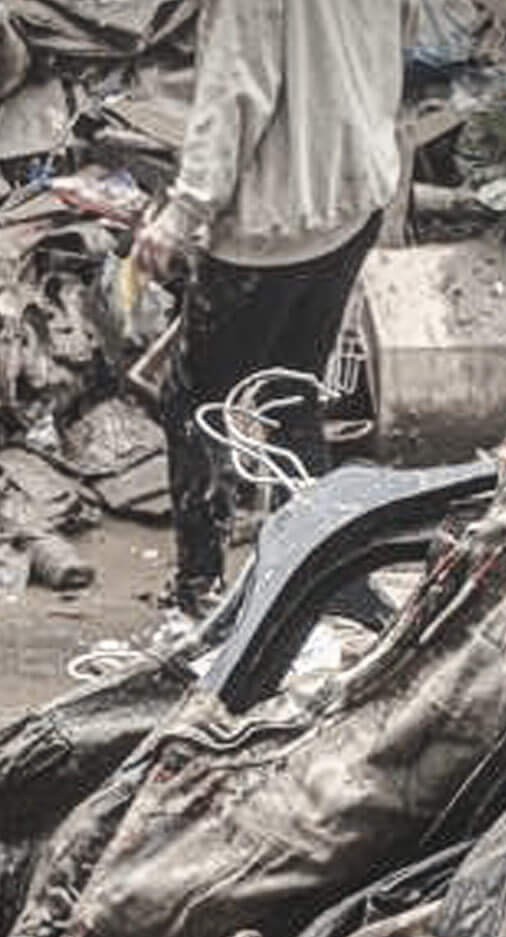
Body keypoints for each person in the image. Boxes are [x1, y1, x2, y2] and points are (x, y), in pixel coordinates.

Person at [133, 0, 406, 617]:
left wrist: (184, 211)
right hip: (352, 199)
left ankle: (199, 591)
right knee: (292, 397)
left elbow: (236, 92)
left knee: (195, 404)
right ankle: (324, 583)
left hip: (273, 222)